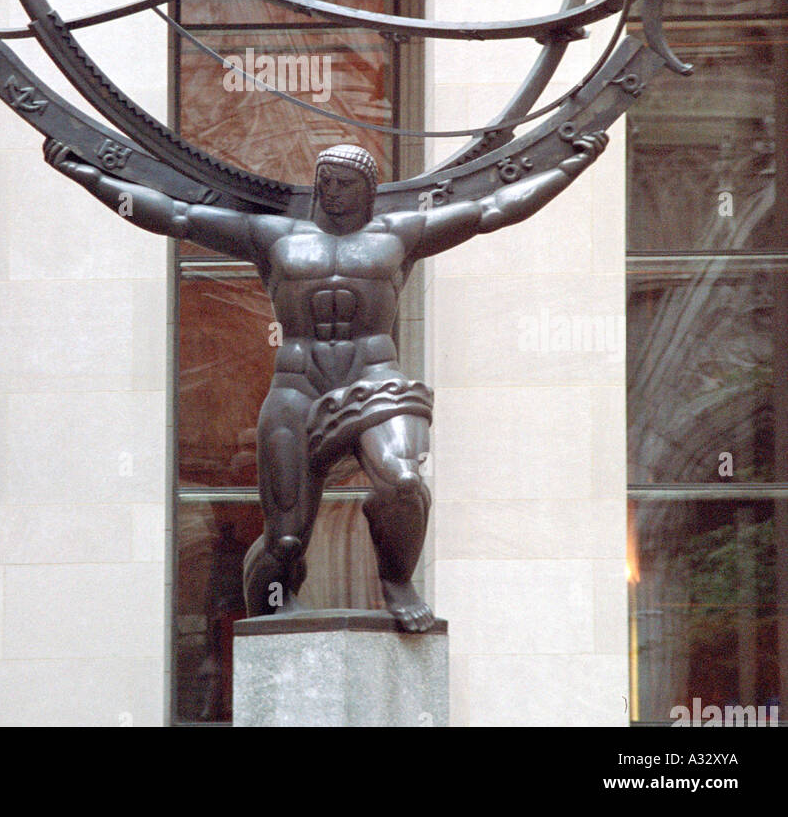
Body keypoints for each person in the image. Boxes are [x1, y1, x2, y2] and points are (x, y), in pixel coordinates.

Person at [44, 130, 607, 631]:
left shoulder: (400, 234)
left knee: (403, 481)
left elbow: (492, 211)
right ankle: (267, 609)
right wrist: (86, 174)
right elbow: (176, 217)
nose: (329, 192)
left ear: (367, 189)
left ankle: (396, 581)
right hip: (297, 389)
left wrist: (570, 166)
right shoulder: (274, 237)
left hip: (374, 381)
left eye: (341, 183)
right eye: (323, 182)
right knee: (286, 539)